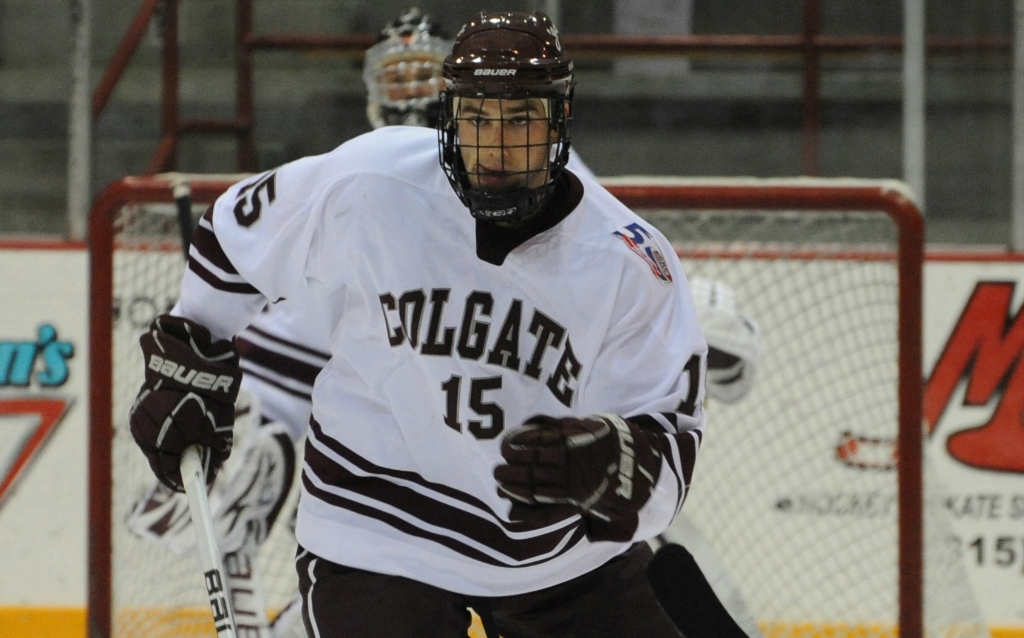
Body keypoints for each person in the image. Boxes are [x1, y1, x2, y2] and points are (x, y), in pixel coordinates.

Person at [128, 10, 707, 638]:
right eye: (478, 119)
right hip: (377, 525)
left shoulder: (628, 260)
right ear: (449, 117)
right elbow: (232, 236)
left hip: (555, 555)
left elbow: (669, 445)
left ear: (559, 122)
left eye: (520, 120)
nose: (497, 148)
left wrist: (615, 466)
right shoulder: (374, 178)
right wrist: (193, 352)